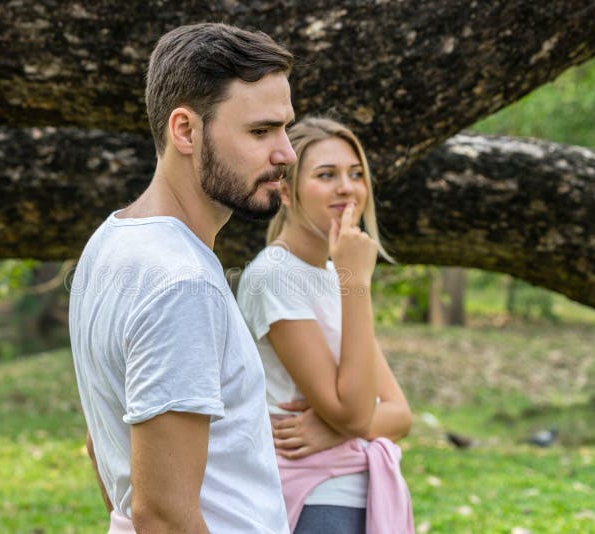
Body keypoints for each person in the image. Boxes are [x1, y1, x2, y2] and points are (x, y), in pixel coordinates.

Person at [68, 23, 297, 533]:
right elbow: (165, 518)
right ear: (185, 131)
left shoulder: (108, 243)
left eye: (285, 128)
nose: (287, 153)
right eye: (261, 132)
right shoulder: (180, 281)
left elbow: (102, 441)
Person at [237, 117, 415, 534]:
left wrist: (334, 429)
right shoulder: (276, 275)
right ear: (285, 191)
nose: (347, 188)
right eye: (326, 175)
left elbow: (400, 413)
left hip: (359, 494)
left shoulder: (334, 274)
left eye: (356, 174)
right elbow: (355, 414)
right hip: (313, 498)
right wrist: (356, 282)